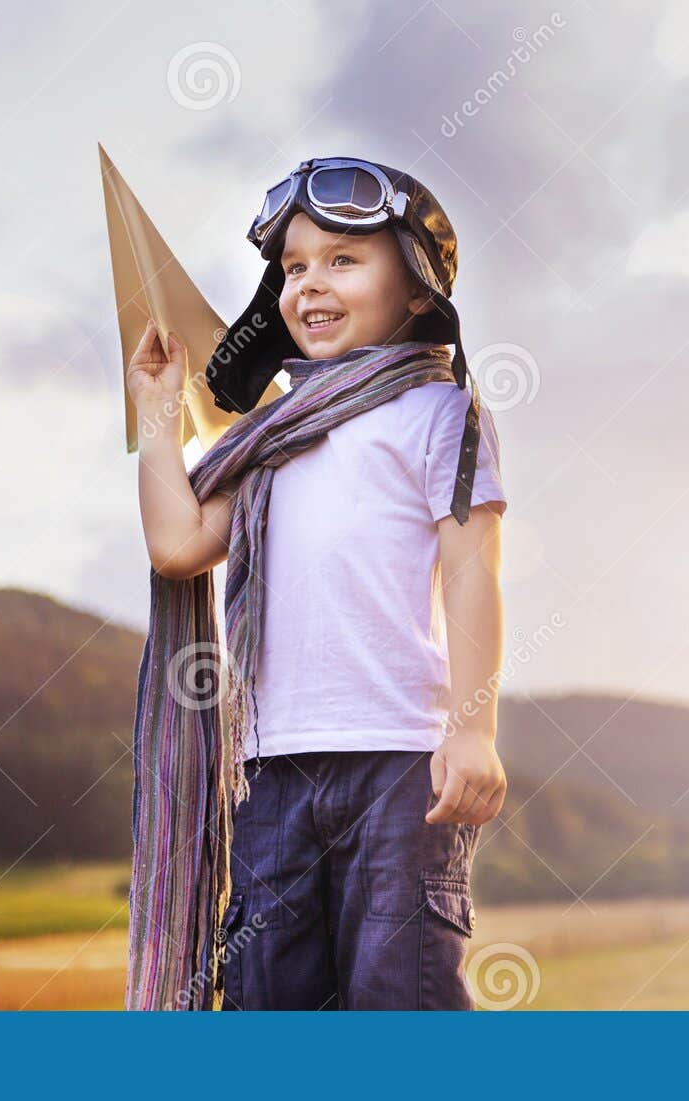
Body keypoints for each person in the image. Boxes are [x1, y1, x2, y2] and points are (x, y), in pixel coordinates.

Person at [125, 157, 509, 1010]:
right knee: (269, 1004)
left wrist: (474, 727)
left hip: (402, 764)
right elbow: (179, 543)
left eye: (342, 259)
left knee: (397, 1000)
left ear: (415, 288)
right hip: (271, 771)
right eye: (294, 267)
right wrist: (158, 414)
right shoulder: (269, 433)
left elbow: (471, 569)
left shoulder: (442, 411)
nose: (309, 284)